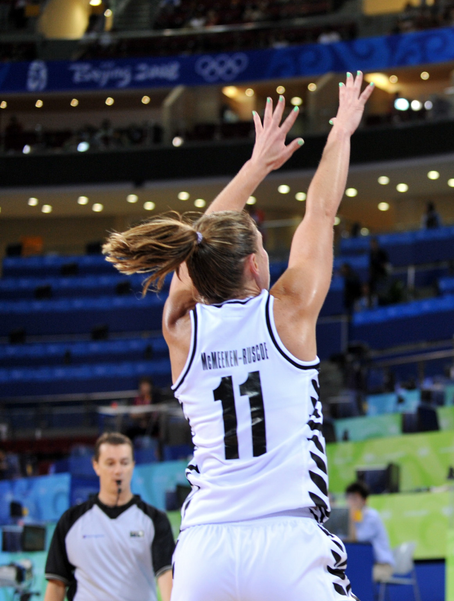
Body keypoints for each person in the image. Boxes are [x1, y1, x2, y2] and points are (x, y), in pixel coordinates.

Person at [102, 76, 373, 601]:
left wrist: (254, 168)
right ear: (255, 264)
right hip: (287, 539)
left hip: (205, 546)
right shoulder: (289, 313)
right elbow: (320, 210)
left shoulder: (181, 327)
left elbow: (195, 247)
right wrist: (340, 129)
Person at [44, 433, 175, 601]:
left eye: (124, 463)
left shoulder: (155, 519)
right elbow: (56, 583)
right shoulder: (71, 521)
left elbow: (166, 576)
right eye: (110, 463)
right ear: (96, 465)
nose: (118, 470)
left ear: (133, 466)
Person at [344, 482, 394, 583]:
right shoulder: (355, 516)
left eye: (354, 498)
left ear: (364, 500)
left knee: (358, 577)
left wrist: (350, 517)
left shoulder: (372, 516)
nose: (350, 502)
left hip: (382, 566)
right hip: (364, 564)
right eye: (348, 498)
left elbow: (356, 539)